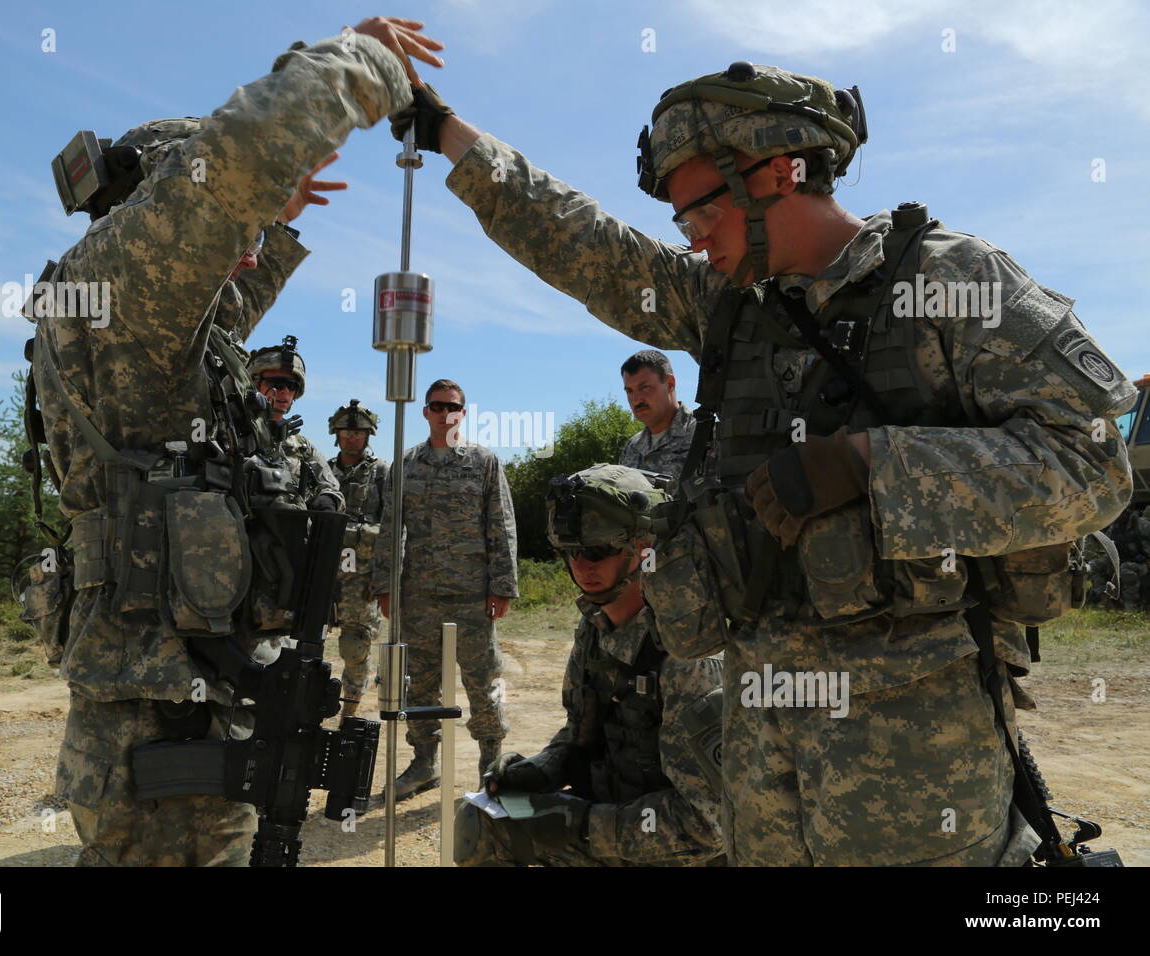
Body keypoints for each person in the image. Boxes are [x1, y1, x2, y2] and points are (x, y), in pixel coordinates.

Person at [395, 62, 1134, 865]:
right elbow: (587, 246)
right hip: (759, 720)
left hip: (911, 739)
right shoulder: (733, 307)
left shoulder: (945, 281)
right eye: (679, 217)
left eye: (701, 208)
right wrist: (447, 137)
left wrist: (870, 465)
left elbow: (1091, 460)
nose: (690, 234)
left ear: (780, 171)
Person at [32, 17, 442, 866]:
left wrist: (278, 224)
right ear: (166, 202)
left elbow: (215, 330)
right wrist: (359, 57)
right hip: (157, 687)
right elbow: (239, 154)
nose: (245, 250)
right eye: (234, 227)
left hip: (170, 666)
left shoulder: (116, 304)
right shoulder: (118, 275)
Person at [455, 464, 725, 866]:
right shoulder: (596, 626)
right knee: (480, 825)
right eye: (572, 552)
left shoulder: (689, 654)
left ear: (643, 550)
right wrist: (540, 770)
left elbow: (707, 826)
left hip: (674, 851)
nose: (583, 566)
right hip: (611, 822)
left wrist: (579, 826)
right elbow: (582, 733)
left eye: (599, 551)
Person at [372, 379, 519, 798]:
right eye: (436, 406)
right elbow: (390, 528)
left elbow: (501, 525)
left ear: (463, 412)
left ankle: (490, 770)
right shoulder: (406, 465)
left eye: (452, 407)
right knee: (419, 684)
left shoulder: (483, 462)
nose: (444, 413)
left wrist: (503, 586)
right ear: (425, 412)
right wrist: (385, 585)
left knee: (482, 683)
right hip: (417, 595)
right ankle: (423, 765)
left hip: (472, 596)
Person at [326, 399, 389, 715]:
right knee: (305, 647)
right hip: (323, 574)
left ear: (369, 435)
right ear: (335, 434)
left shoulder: (381, 473)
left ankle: (348, 717)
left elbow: (394, 529)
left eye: (359, 432)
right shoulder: (321, 471)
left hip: (361, 579)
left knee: (355, 648)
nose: (352, 437)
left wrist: (386, 580)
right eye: (345, 431)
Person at [246, 335, 343, 511]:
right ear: (254, 383)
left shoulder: (302, 447)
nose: (284, 391)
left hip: (290, 533)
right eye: (276, 383)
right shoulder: (233, 433)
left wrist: (328, 499)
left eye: (292, 386)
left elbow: (331, 487)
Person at [617, 349, 696, 483]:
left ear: (670, 384)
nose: (636, 400)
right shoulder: (632, 447)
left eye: (645, 388)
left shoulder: (706, 435)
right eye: (629, 391)